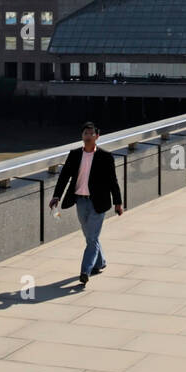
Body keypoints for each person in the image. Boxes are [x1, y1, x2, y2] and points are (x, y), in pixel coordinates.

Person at [49, 121, 123, 284]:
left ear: (97, 136)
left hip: (99, 202)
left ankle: (85, 271)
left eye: (91, 134)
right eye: (85, 134)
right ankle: (100, 262)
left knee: (91, 237)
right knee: (91, 236)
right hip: (80, 201)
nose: (88, 136)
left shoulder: (105, 156)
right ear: (82, 136)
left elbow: (113, 181)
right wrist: (56, 196)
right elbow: (64, 177)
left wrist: (118, 202)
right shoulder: (75, 154)